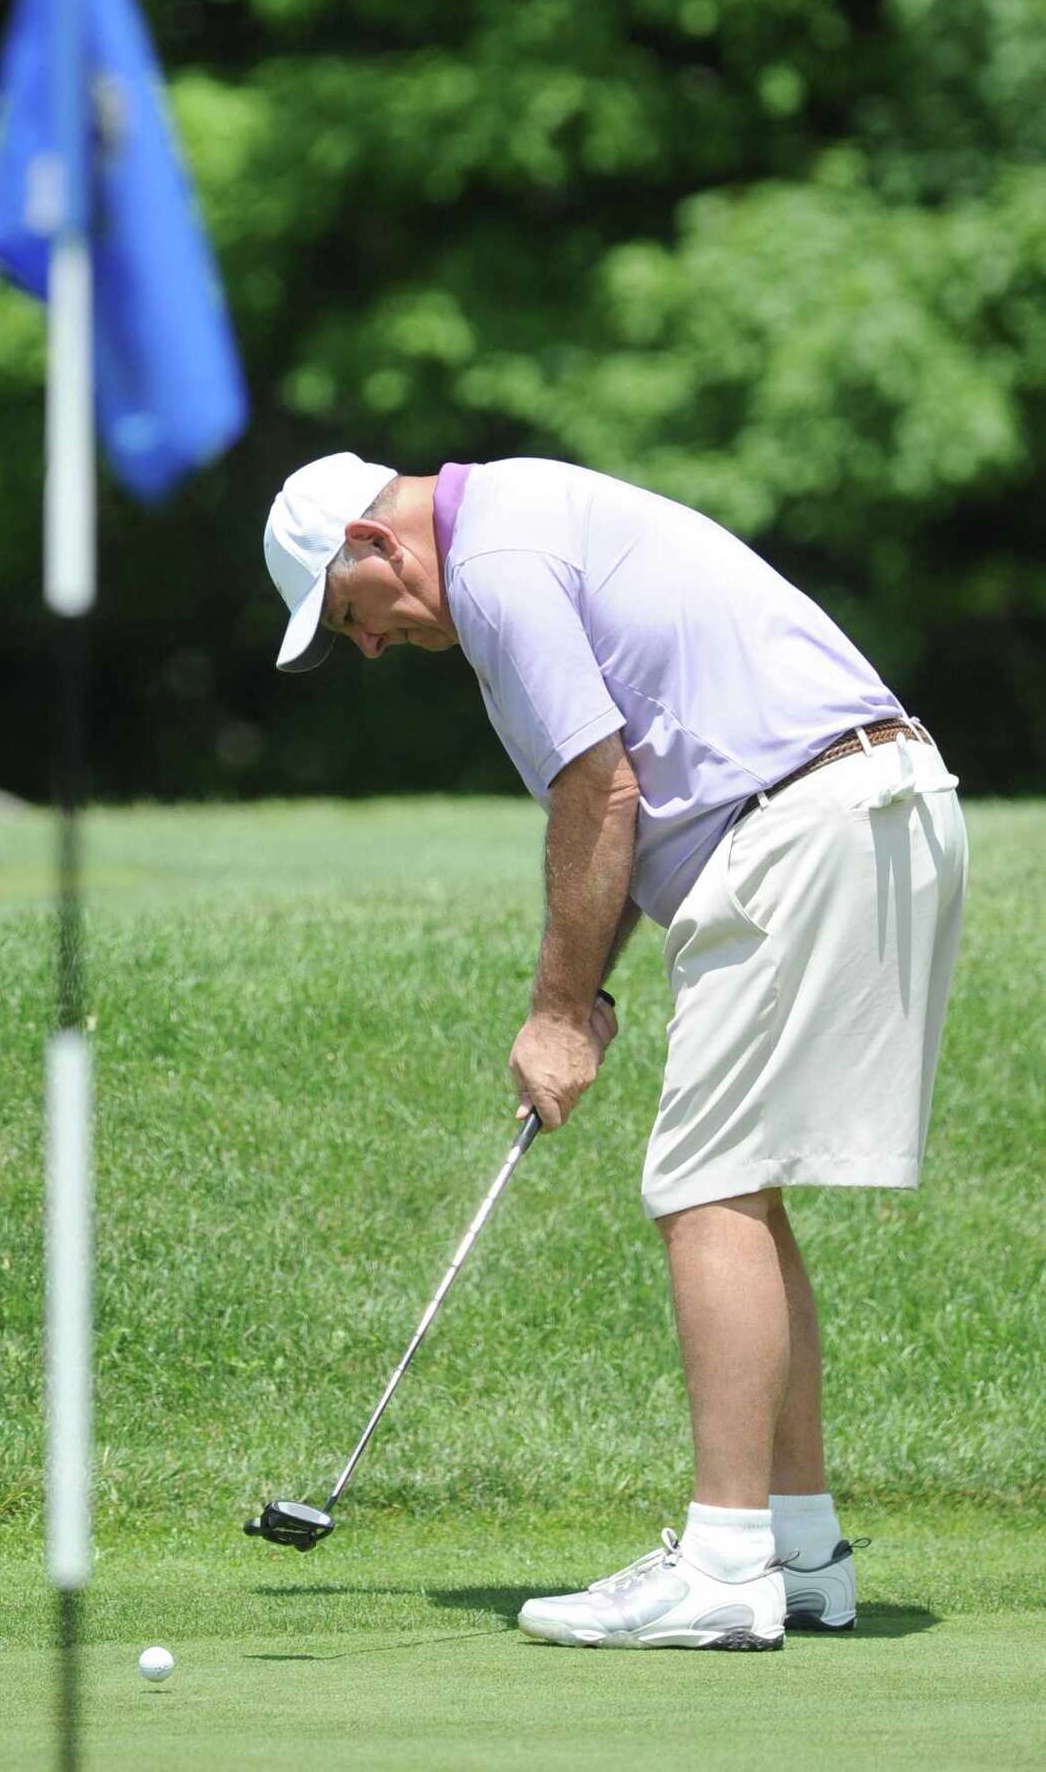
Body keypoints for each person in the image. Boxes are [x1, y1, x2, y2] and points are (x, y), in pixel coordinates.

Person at [262, 452, 968, 1652]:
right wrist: (585, 985)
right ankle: (799, 1551)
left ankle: (725, 1564)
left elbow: (600, 792)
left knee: (702, 1184)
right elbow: (630, 793)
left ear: (376, 547)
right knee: (738, 1182)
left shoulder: (492, 564)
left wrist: (552, 1010)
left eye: (348, 617)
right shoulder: (527, 517)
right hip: (875, 801)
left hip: (800, 821)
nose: (368, 648)